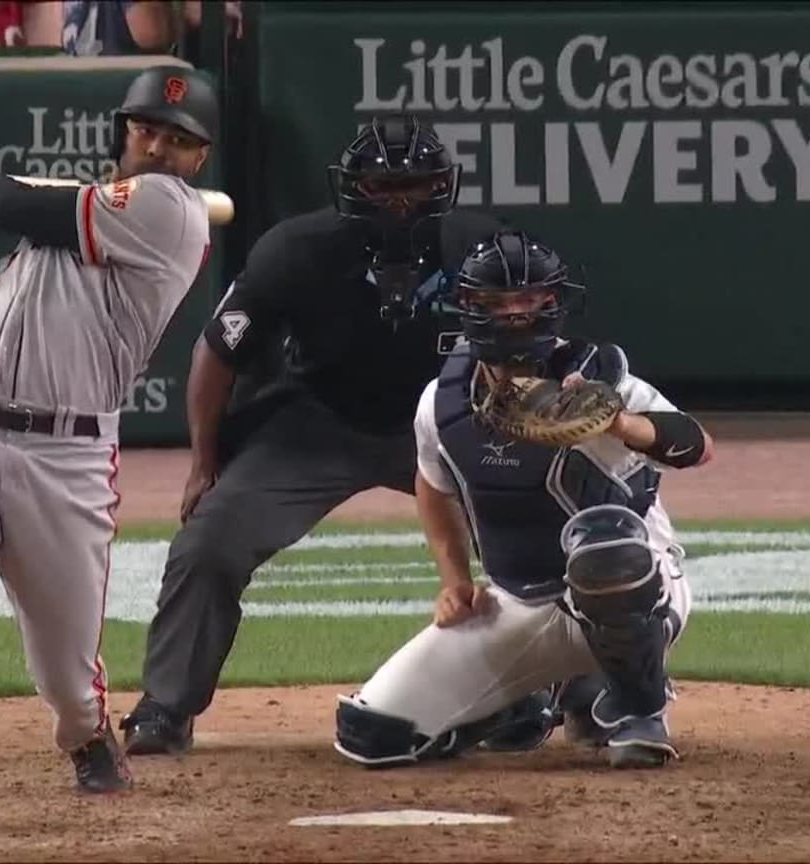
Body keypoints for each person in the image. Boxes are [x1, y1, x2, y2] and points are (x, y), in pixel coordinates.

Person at [0, 66, 218, 826]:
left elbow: (11, 204)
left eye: (177, 139)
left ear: (199, 159)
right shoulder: (72, 217)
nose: (157, 146)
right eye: (145, 129)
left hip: (66, 460)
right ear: (123, 130)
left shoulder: (170, 211)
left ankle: (88, 737)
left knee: (65, 673)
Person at [117, 114, 503, 755]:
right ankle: (167, 705)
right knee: (209, 539)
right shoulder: (295, 249)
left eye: (414, 183)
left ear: (444, 185)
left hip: (444, 422)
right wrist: (202, 466)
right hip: (317, 421)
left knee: (544, 527)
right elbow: (216, 354)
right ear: (351, 189)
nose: (400, 200)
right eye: (382, 186)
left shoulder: (481, 251)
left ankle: (579, 698)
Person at [332, 229, 715, 770]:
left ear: (555, 302)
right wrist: (454, 581)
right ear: (468, 307)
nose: (517, 313)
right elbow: (431, 482)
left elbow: (697, 447)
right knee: (373, 734)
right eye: (500, 302)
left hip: (638, 592)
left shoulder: (600, 380)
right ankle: (526, 700)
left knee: (605, 544)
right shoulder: (443, 403)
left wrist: (620, 423)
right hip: (519, 601)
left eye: (531, 299)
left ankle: (637, 706)